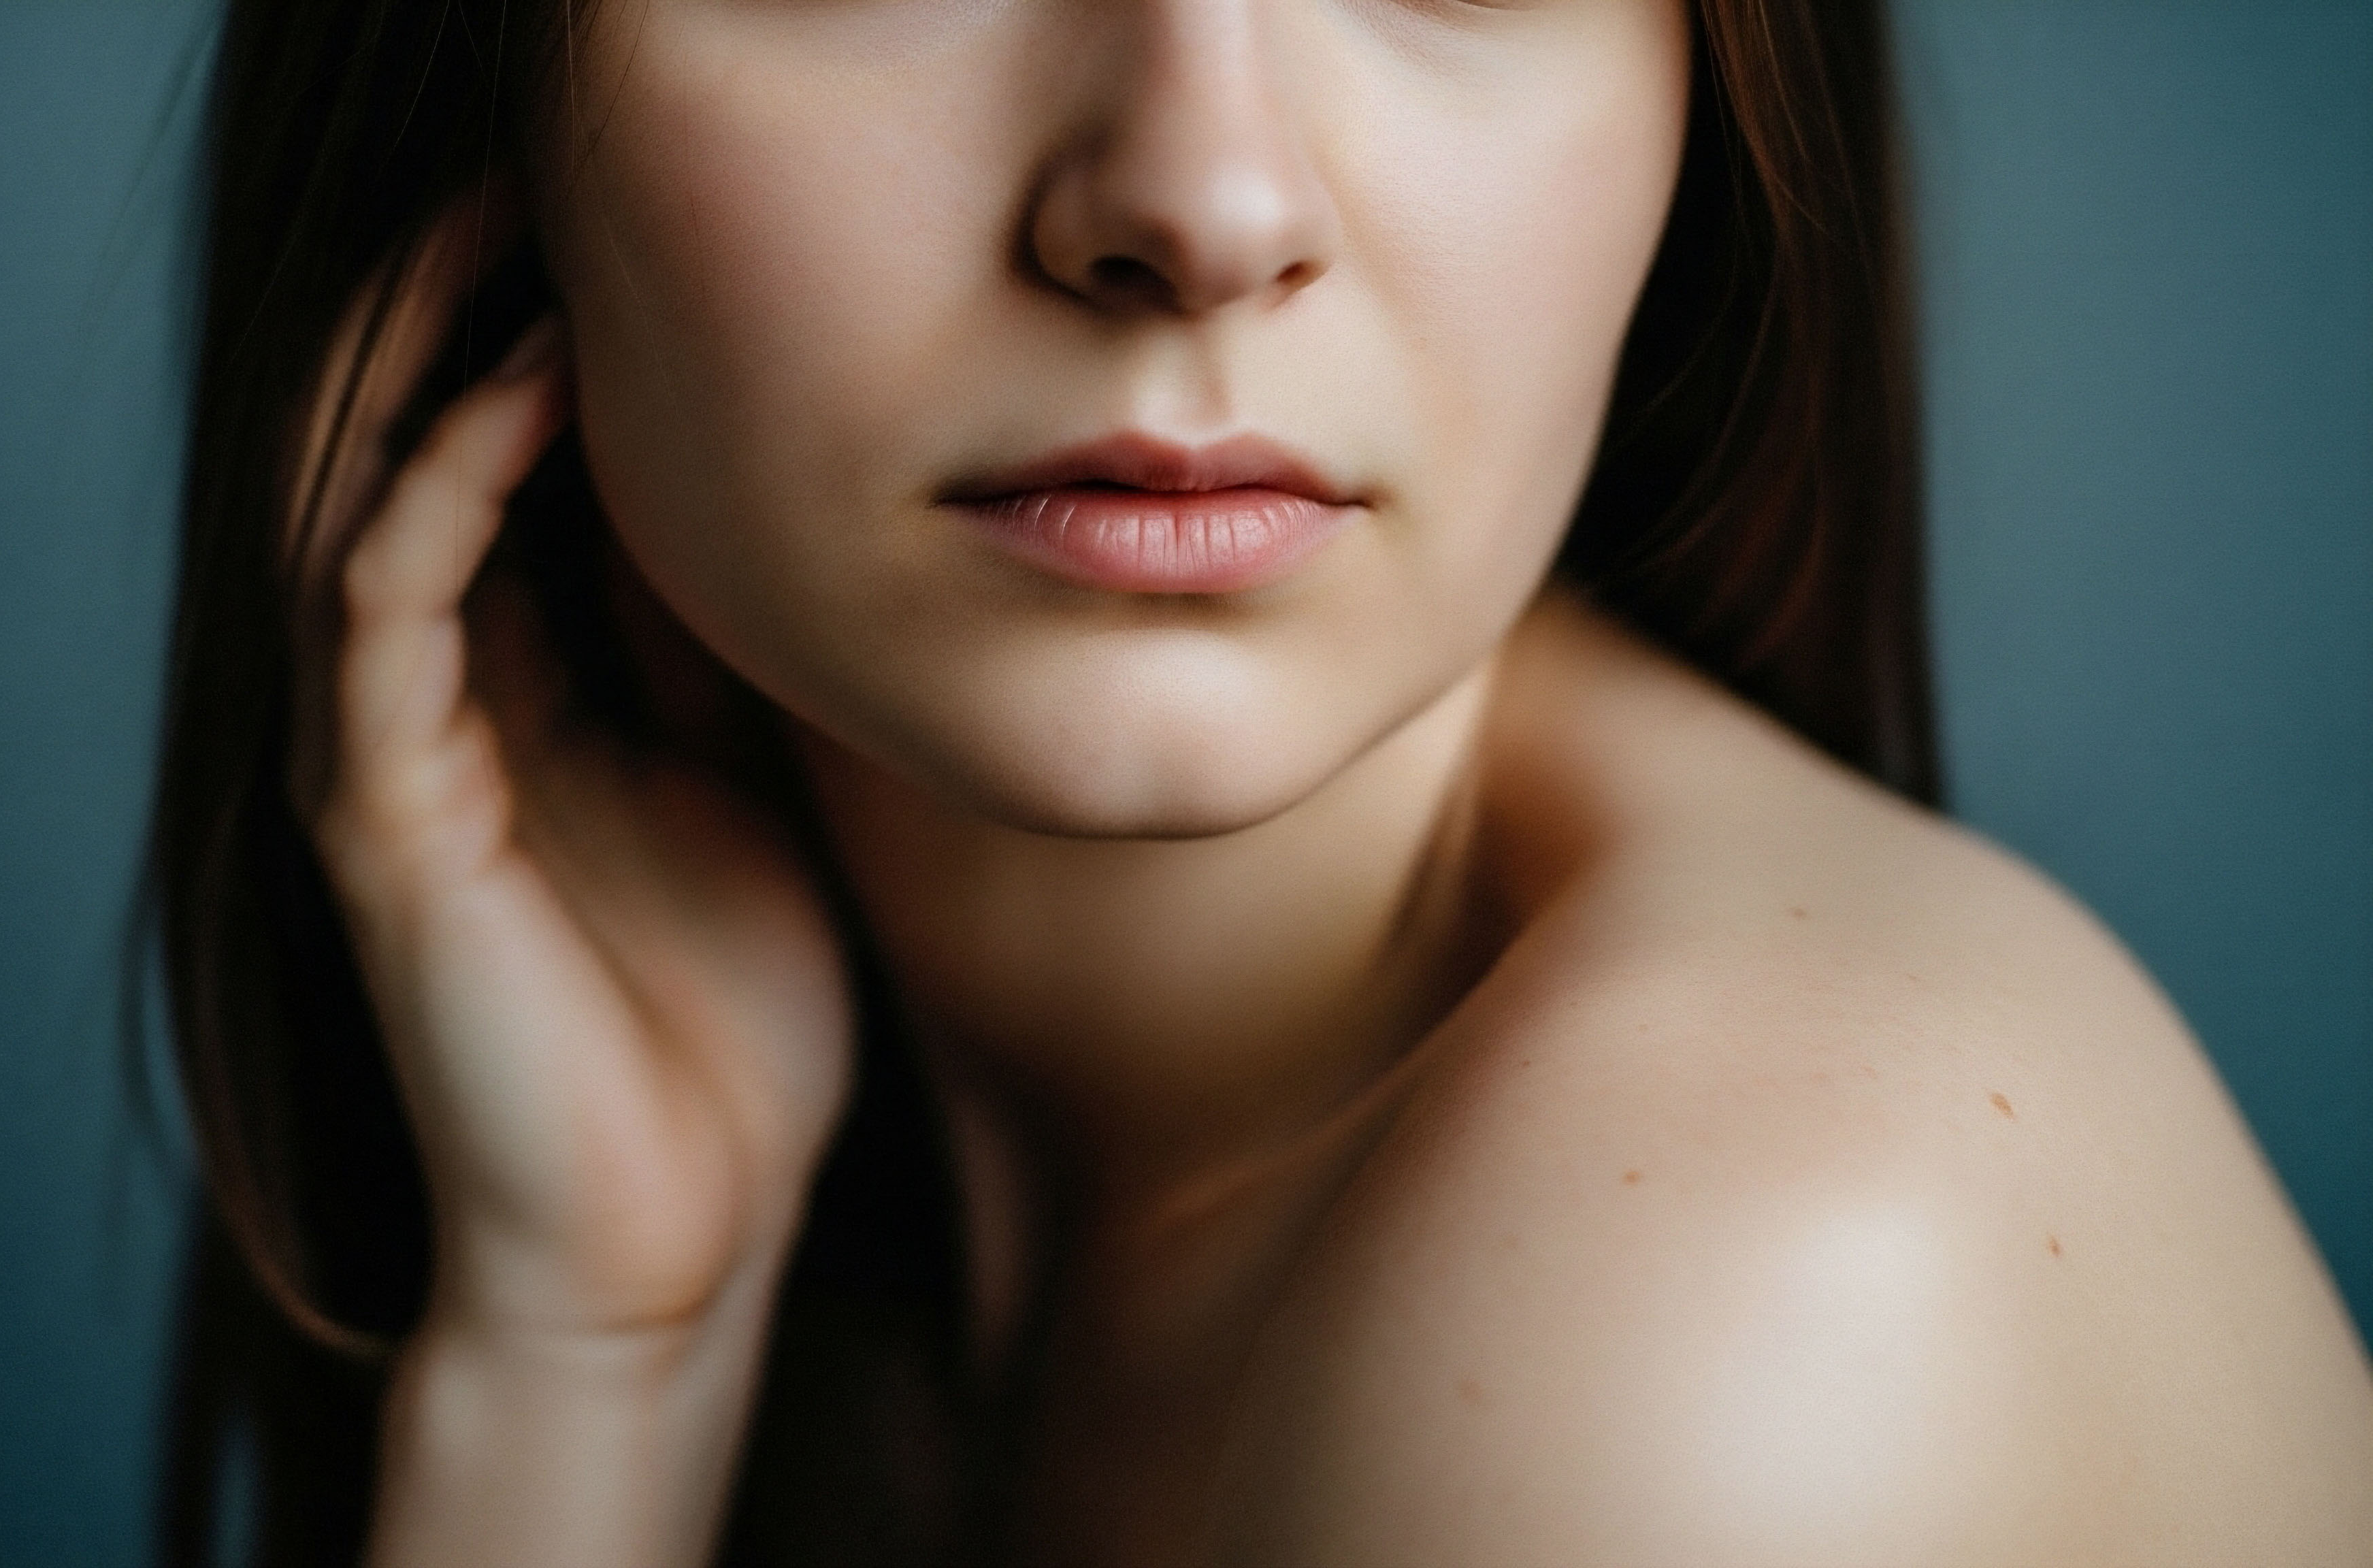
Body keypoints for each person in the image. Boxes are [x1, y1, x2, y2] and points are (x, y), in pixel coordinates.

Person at [136, 0, 2373, 1561]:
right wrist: (586, 1368)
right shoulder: (787, 1108)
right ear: (480, 79)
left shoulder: (1735, 1297)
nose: (1202, 197)